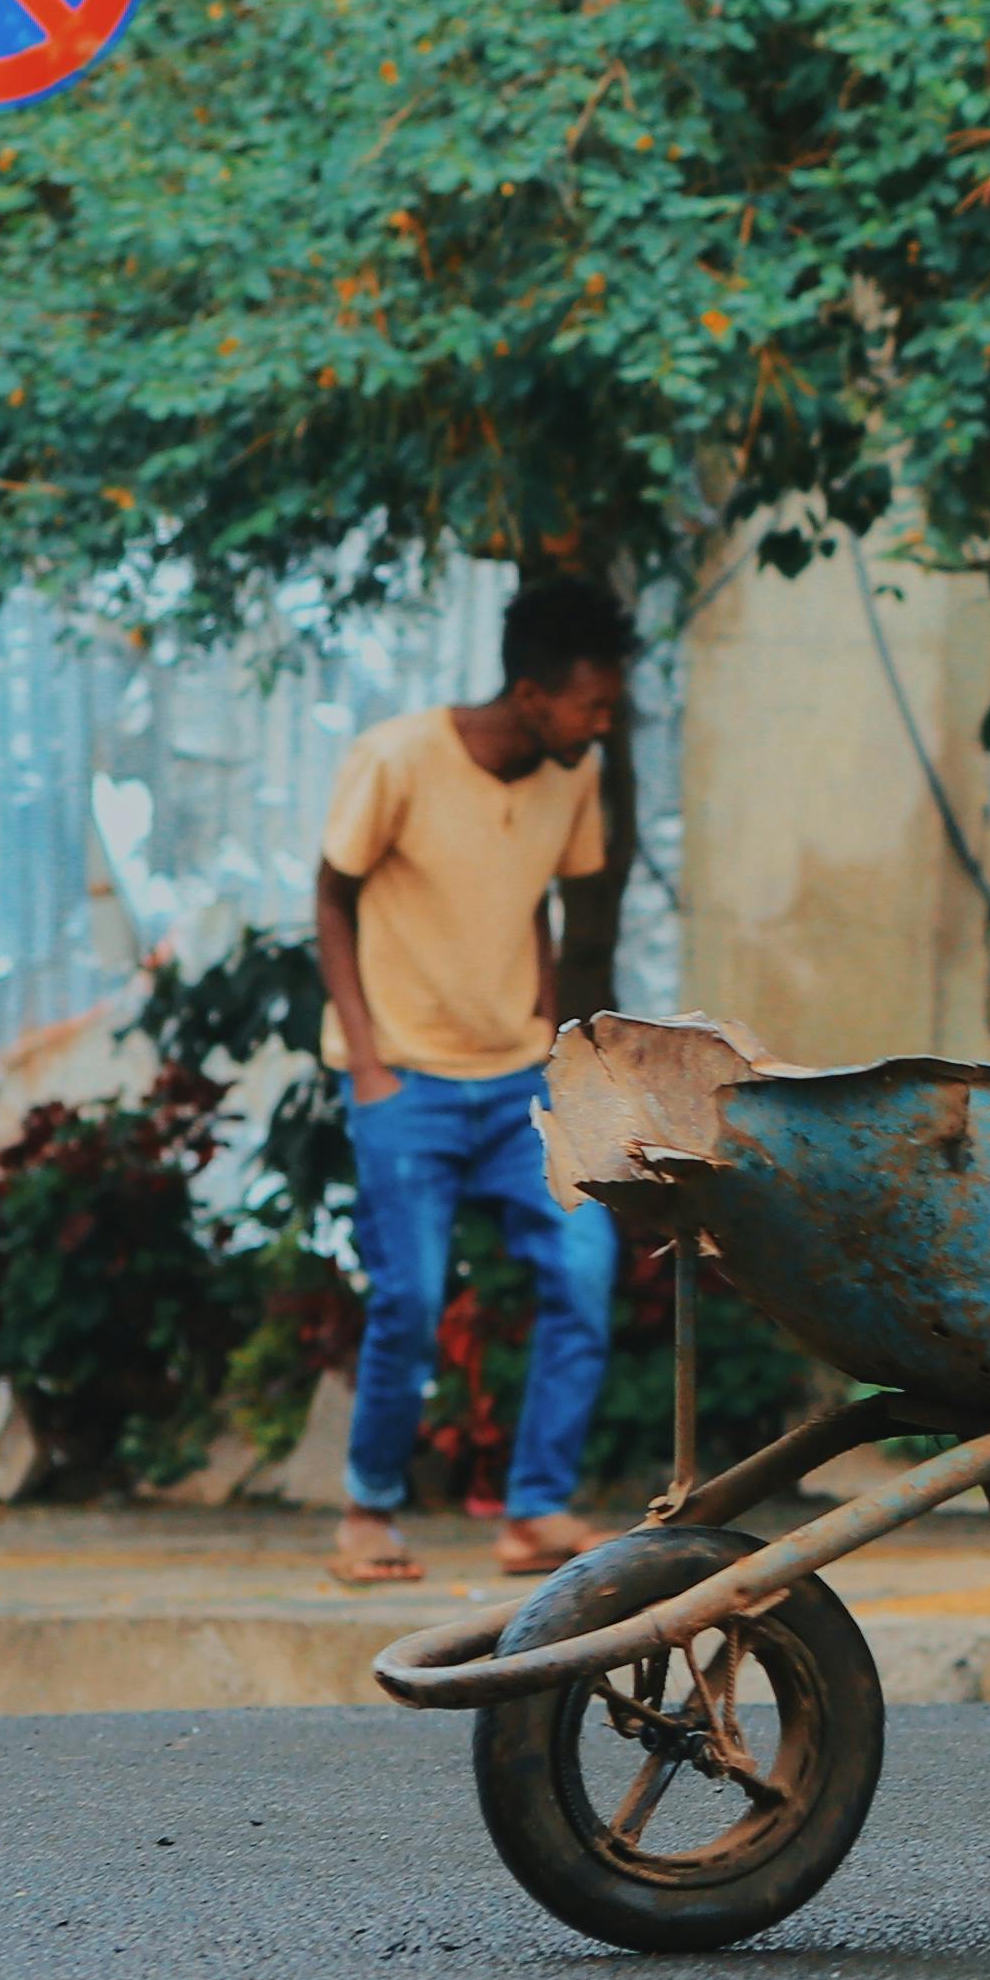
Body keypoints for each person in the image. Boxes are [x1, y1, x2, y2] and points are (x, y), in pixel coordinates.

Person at [313, 575, 633, 1586]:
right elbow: (330, 897)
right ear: (533, 696)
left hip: (513, 1089)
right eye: (593, 704)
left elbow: (531, 894)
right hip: (404, 1080)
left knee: (584, 1272)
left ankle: (535, 1512)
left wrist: (547, 1036)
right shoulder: (396, 758)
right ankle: (369, 1513)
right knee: (409, 1298)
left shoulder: (570, 773)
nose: (605, 722)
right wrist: (365, 1062)